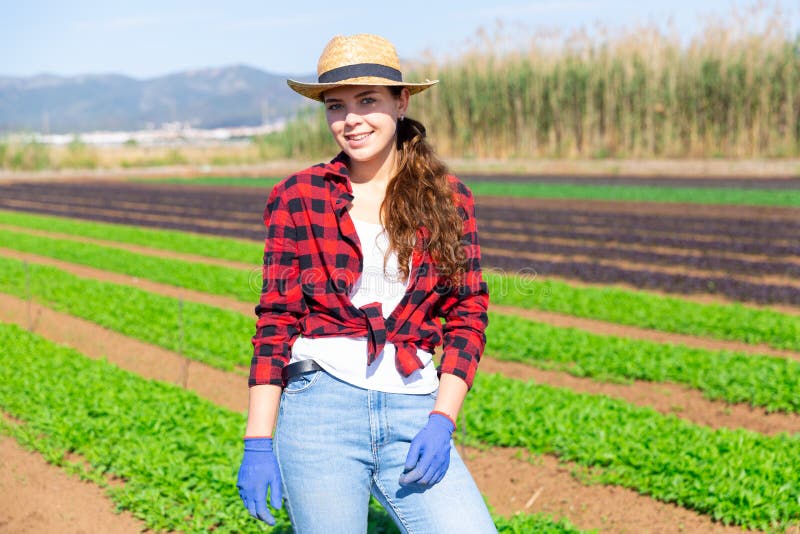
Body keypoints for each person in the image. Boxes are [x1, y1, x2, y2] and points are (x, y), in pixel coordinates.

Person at [236, 33, 495, 534]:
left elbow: (468, 314)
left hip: (415, 410)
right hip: (320, 412)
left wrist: (442, 420)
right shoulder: (298, 196)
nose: (351, 119)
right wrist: (257, 442)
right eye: (337, 106)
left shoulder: (448, 198)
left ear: (401, 102)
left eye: (368, 100)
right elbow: (276, 320)